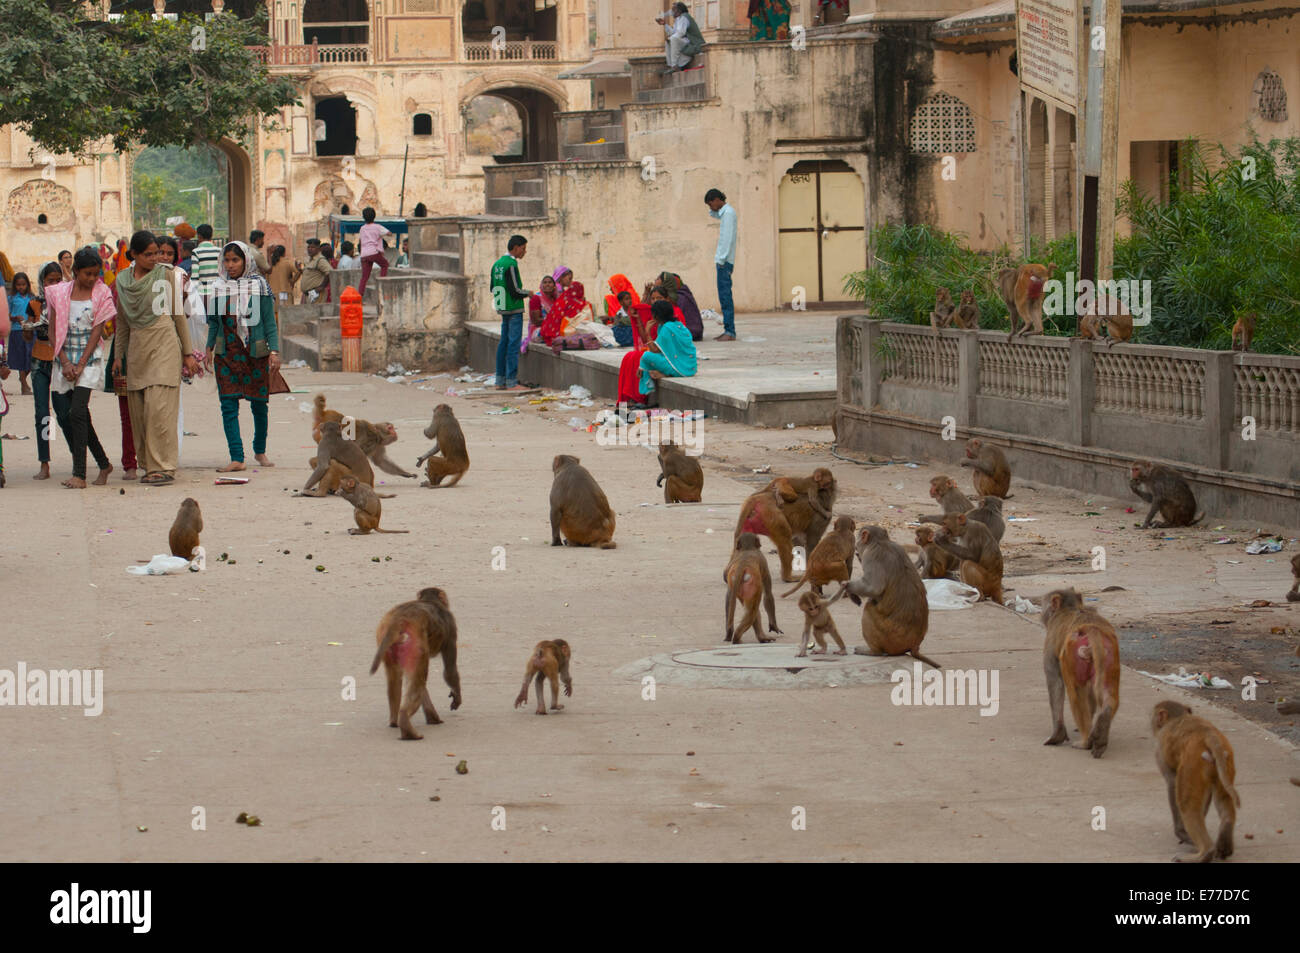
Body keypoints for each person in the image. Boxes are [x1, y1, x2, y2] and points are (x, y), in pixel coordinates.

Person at [112, 230, 200, 485]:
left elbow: (178, 315)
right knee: (140, 411)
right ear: (135, 255)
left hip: (165, 344)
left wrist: (188, 353)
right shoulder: (123, 281)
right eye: (148, 254)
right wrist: (119, 355)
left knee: (159, 409)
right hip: (138, 349)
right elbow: (122, 321)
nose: (155, 258)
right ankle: (149, 466)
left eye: (157, 253)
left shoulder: (167, 276)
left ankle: (164, 466)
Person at [204, 241, 279, 473]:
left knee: (259, 405)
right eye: (226, 260)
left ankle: (260, 450)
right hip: (226, 353)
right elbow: (214, 323)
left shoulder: (259, 286)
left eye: (235, 260)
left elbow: (269, 322)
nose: (231, 265)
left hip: (254, 352)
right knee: (228, 405)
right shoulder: (218, 287)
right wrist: (208, 348)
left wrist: (273, 351)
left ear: (246, 260)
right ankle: (237, 457)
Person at [45, 247, 115, 488]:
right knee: (66, 415)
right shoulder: (58, 293)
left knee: (77, 411)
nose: (92, 279)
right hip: (62, 357)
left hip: (90, 358)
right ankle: (104, 464)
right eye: (87, 274)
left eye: (96, 274)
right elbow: (53, 330)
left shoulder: (102, 293)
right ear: (75, 272)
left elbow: (97, 332)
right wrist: (64, 361)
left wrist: (81, 363)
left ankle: (79, 474)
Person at [29, 264, 64, 479]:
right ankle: (45, 462)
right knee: (43, 413)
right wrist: (28, 328)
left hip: (60, 360)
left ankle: (74, 459)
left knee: (65, 413)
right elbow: (28, 335)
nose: (54, 285)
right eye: (50, 280)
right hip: (39, 361)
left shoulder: (67, 303)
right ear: (43, 282)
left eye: (58, 280)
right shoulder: (34, 304)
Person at [638, 298, 698, 406]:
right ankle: (663, 374)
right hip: (690, 367)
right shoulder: (678, 325)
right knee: (650, 360)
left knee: (646, 356)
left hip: (679, 369)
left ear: (656, 315)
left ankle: (647, 394)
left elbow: (654, 350)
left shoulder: (666, 328)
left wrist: (647, 333)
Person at [490, 235, 531, 391]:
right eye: (523, 248)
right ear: (516, 247)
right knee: (513, 344)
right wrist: (529, 293)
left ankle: (500, 380)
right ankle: (512, 381)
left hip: (502, 307)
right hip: (514, 308)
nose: (524, 252)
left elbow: (493, 287)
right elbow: (515, 290)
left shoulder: (497, 264)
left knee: (503, 343)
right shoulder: (511, 264)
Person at [706, 188, 737, 340]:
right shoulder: (725, 213)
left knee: (725, 296)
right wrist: (712, 209)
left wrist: (722, 259)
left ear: (718, 199)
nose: (710, 207)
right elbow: (714, 214)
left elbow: (727, 238)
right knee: (724, 296)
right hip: (723, 261)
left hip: (724, 262)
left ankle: (730, 331)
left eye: (711, 203)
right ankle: (728, 330)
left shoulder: (729, 213)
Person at [616, 291, 659, 407]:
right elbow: (646, 339)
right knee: (629, 356)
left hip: (664, 353)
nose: (655, 301)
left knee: (639, 357)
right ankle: (629, 397)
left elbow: (660, 345)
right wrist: (639, 320)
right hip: (653, 348)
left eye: (658, 298)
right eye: (653, 298)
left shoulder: (668, 314)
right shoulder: (654, 314)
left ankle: (639, 397)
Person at [652, 271, 704, 341]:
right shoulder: (667, 295)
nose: (655, 281)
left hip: (690, 332)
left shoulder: (677, 298)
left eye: (658, 279)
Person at [7, 272, 35, 395]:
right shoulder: (12, 298)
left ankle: (22, 378)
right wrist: (14, 318)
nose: (21, 287)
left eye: (23, 284)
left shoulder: (32, 298)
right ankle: (24, 384)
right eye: (18, 285)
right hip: (17, 331)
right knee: (20, 357)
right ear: (15, 286)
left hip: (30, 330)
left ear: (27, 285)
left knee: (31, 357)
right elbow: (6, 314)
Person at [658, 2, 705, 72]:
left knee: (673, 39)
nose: (671, 12)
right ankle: (670, 65)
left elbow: (680, 33)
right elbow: (673, 32)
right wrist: (664, 24)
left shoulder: (684, 17)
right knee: (668, 41)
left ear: (679, 10)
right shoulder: (678, 19)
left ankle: (674, 66)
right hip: (687, 42)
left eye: (673, 10)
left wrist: (671, 38)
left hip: (694, 44)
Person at [356, 206, 391, 294]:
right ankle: (381, 285)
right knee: (385, 265)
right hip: (374, 252)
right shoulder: (377, 227)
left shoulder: (362, 228)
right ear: (374, 216)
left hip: (364, 254)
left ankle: (359, 296)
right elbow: (389, 233)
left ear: (364, 217)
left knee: (364, 277)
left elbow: (360, 241)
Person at [525, 272, 558, 350]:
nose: (547, 284)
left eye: (550, 282)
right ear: (541, 286)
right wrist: (554, 321)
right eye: (545, 282)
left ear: (554, 286)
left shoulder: (555, 299)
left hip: (551, 327)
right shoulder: (536, 298)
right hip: (537, 330)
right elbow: (536, 321)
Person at [267, 245, 301, 315]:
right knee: (287, 315)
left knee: (276, 316)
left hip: (273, 294)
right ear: (284, 253)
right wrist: (293, 281)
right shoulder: (287, 262)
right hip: (286, 292)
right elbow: (298, 272)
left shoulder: (269, 265)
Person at [300, 239, 332, 303]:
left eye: (312, 247)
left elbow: (330, 272)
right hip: (309, 295)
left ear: (318, 249)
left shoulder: (320, 260)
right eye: (308, 247)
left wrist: (321, 287)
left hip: (316, 295)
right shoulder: (311, 260)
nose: (310, 249)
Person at [191, 223, 221, 292]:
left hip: (202, 293)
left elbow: (195, 277)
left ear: (199, 236)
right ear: (211, 235)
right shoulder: (220, 251)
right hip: (218, 291)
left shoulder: (196, 252)